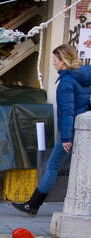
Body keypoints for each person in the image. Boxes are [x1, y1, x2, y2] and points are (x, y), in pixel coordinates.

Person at [13, 43, 91, 215]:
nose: (53, 63)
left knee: (53, 165)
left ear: (63, 61)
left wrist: (66, 138)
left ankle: (33, 205)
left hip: (72, 131)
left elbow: (68, 112)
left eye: (55, 60)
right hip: (86, 129)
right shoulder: (86, 74)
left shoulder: (66, 82)